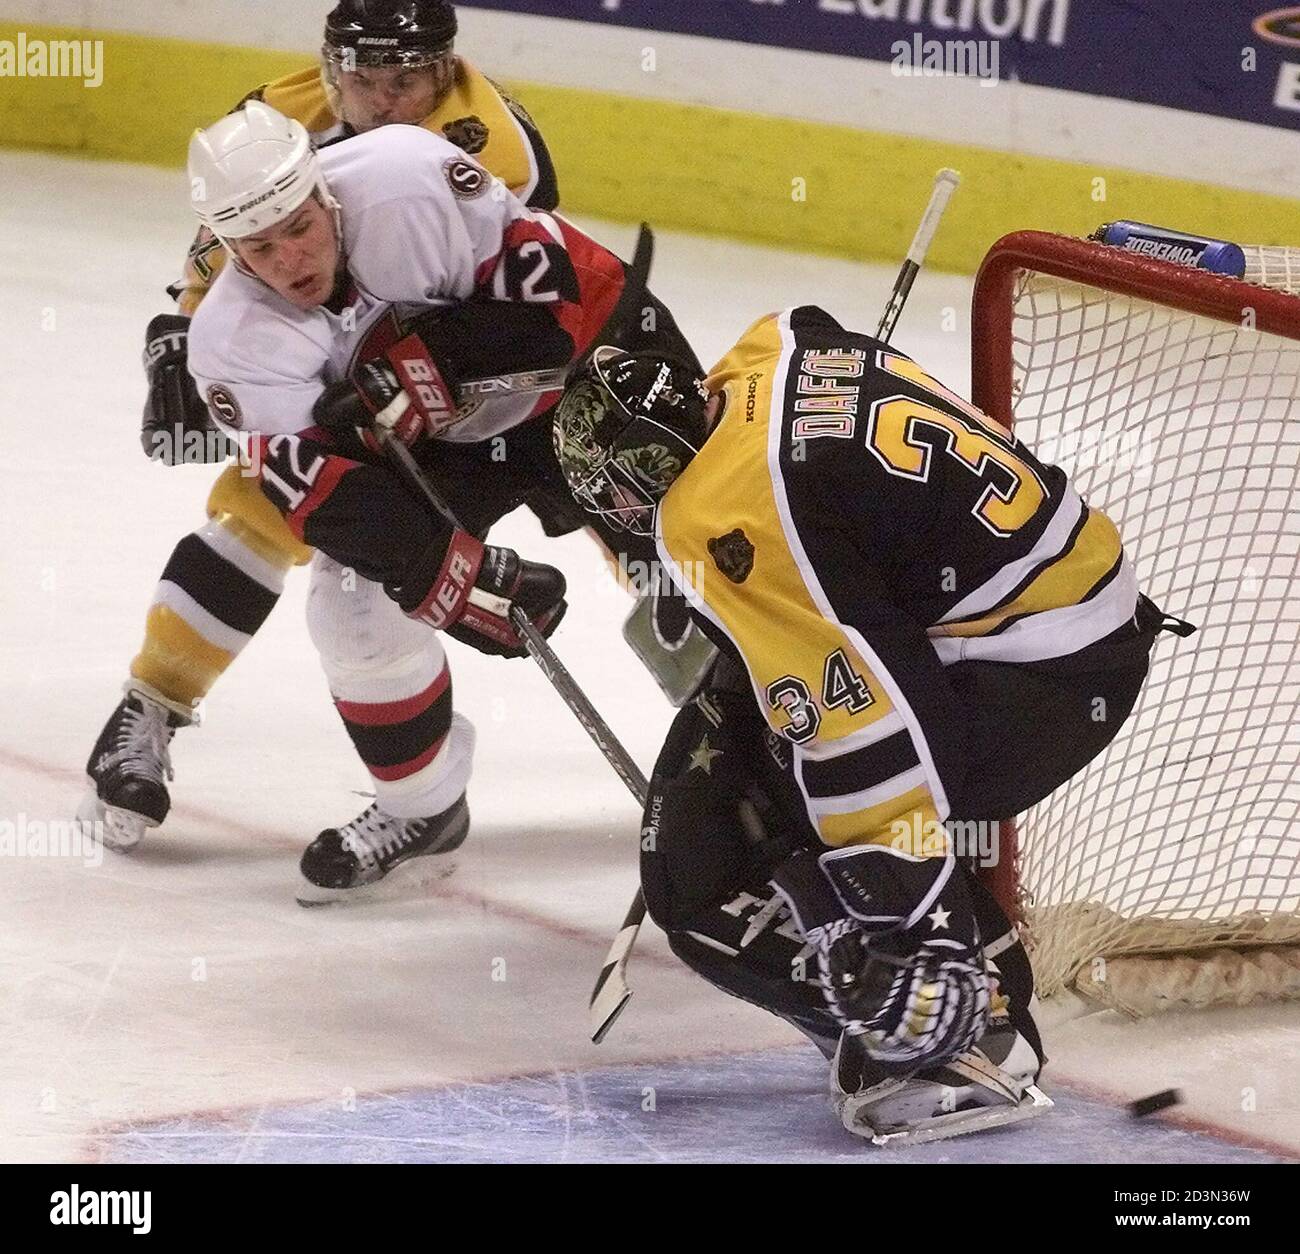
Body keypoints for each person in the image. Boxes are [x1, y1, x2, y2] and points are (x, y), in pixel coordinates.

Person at [550, 308, 1193, 1142]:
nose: (628, 517)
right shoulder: (769, 356)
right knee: (716, 810)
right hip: (1041, 612)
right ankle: (915, 984)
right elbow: (817, 341)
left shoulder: (724, 517)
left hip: (1041, 679)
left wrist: (911, 923)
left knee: (792, 815)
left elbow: (872, 724)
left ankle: (970, 1028)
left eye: (623, 495)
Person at [87, 96, 696, 906]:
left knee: (701, 563)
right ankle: (425, 806)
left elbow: (569, 298)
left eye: (300, 227)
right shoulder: (233, 344)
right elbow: (327, 497)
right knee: (351, 606)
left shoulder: (407, 176)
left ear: (325, 195)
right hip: (458, 449)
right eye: (259, 248)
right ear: (227, 250)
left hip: (586, 381)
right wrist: (451, 574)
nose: (290, 260)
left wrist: (427, 363)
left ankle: (773, 763)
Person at [79, 0, 561, 853]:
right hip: (346, 371)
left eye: (405, 81)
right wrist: (184, 334)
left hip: (475, 380)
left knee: (641, 496)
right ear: (331, 69)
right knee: (266, 506)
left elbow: (514, 297)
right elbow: (224, 249)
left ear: (444, 72)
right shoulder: (271, 118)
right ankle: (151, 703)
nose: (381, 102)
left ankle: (736, 706)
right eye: (361, 80)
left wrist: (413, 384)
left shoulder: (491, 146)